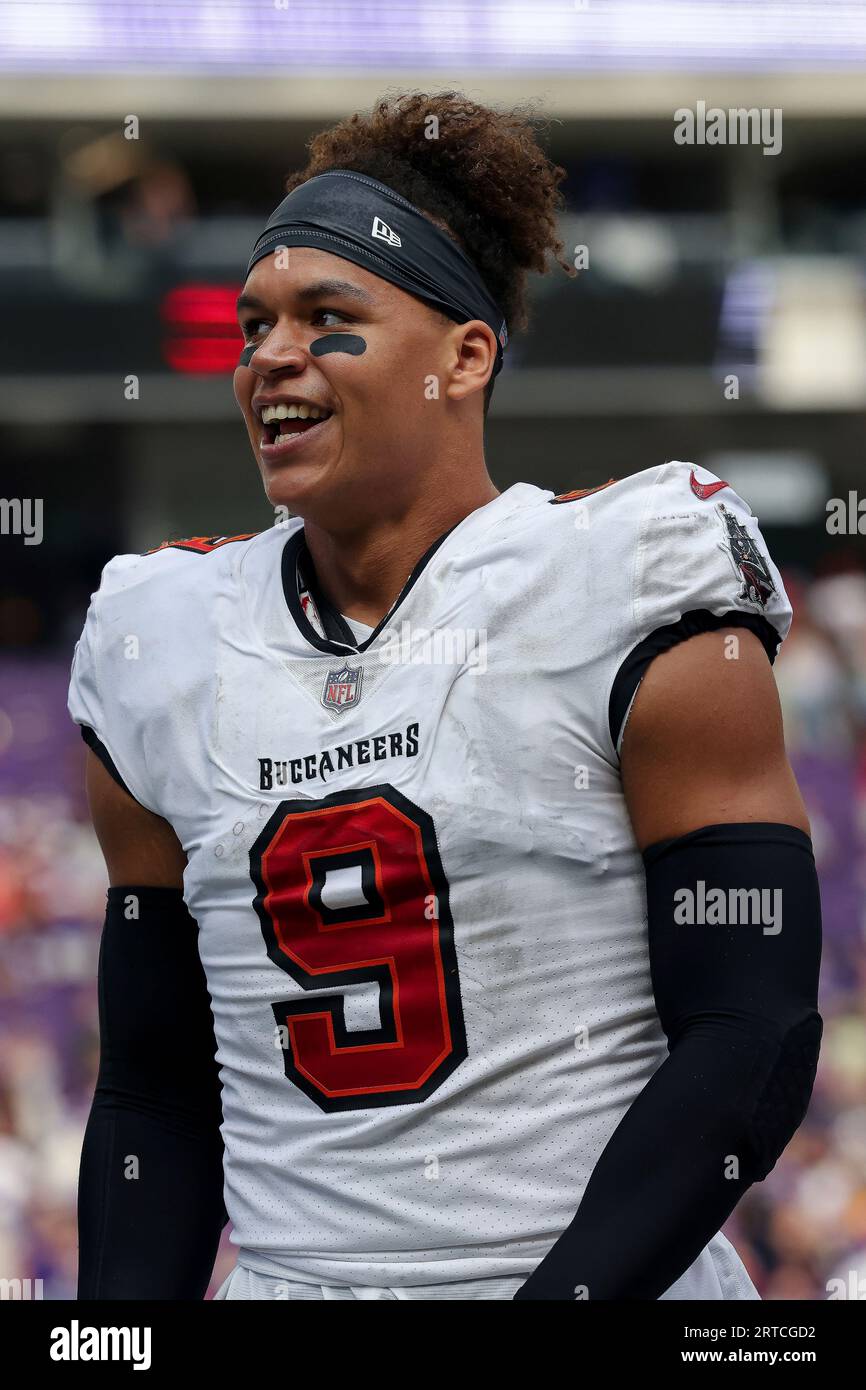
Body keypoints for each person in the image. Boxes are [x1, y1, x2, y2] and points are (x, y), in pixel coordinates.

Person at [68, 91, 821, 1301]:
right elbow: (154, 1089)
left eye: (328, 317)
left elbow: (753, 1033)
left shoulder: (623, 577)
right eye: (255, 323)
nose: (269, 355)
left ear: (465, 356)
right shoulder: (162, 639)